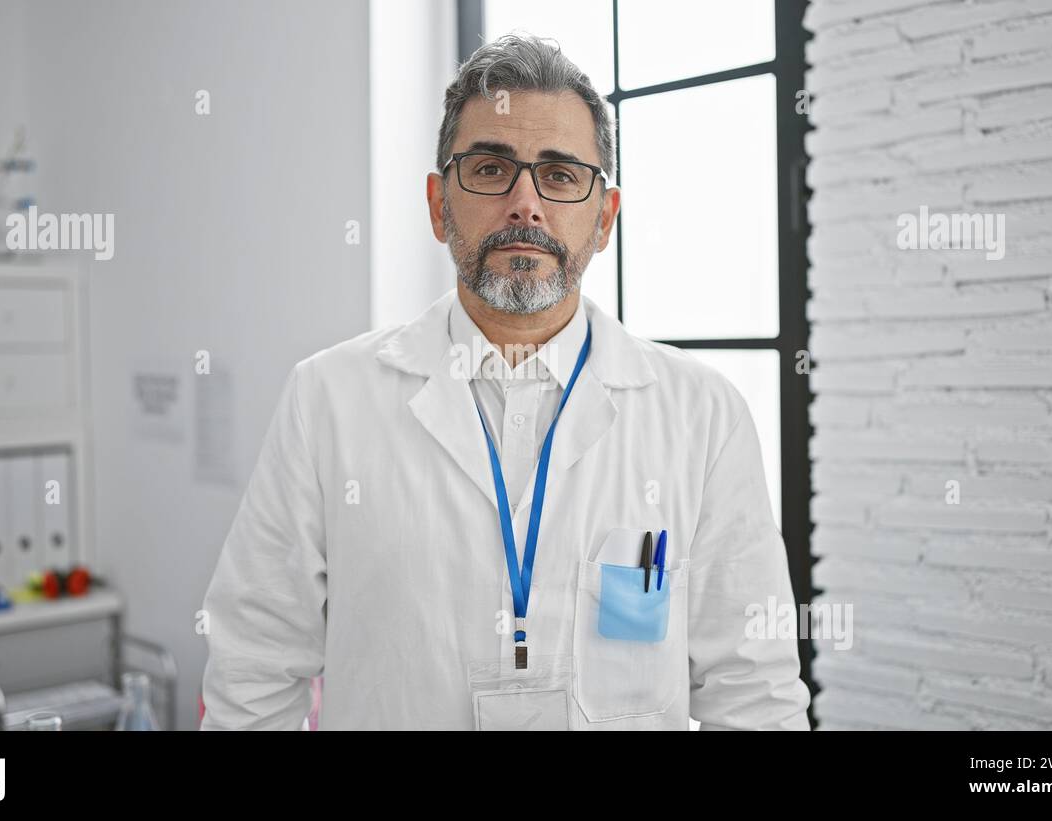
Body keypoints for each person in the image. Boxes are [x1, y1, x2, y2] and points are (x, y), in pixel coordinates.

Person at [200, 33, 810, 730]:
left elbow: (753, 694)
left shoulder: (702, 417)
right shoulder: (328, 401)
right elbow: (254, 669)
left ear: (604, 217)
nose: (526, 203)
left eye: (558, 175)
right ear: (438, 205)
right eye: (492, 169)